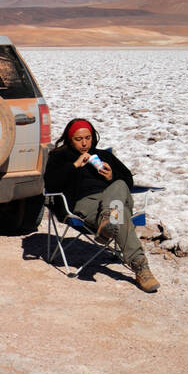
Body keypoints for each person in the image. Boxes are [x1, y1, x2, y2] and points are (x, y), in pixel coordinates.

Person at [43, 118, 159, 292]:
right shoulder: (60, 157)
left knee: (119, 185)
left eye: (87, 138)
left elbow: (127, 179)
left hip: (113, 199)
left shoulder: (104, 156)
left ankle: (109, 221)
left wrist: (111, 176)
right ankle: (141, 269)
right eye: (78, 139)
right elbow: (51, 184)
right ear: (70, 139)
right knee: (120, 215)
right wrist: (75, 165)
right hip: (85, 203)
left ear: (93, 137)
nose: (84, 143)